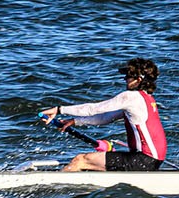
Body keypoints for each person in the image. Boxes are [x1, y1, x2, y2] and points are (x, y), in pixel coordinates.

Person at [39, 57, 167, 172]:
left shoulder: (131, 97)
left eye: (128, 76)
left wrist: (59, 109)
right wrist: (74, 121)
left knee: (81, 160)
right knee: (92, 164)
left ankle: (50, 187)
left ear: (138, 80)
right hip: (152, 160)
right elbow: (105, 118)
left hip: (143, 160)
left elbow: (93, 109)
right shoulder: (147, 98)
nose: (125, 79)